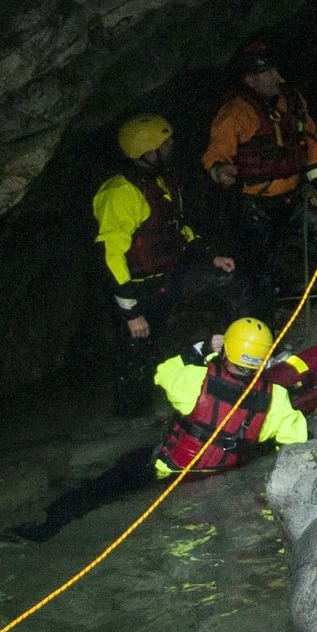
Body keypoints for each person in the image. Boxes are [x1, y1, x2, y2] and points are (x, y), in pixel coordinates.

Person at [2, 318, 307, 543]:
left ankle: (45, 527)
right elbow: (296, 444)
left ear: (228, 348)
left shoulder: (193, 381)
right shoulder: (276, 399)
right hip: (218, 477)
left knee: (101, 486)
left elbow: (162, 372)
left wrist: (202, 349)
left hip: (166, 469)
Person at [93, 115, 237, 413]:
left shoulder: (161, 182)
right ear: (148, 152)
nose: (172, 145)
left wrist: (210, 257)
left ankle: (233, 361)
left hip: (166, 278)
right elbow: (110, 255)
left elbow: (176, 229)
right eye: (165, 142)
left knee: (225, 281)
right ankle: (132, 417)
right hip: (135, 289)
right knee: (135, 355)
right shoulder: (121, 193)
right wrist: (131, 312)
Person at [202, 41, 317, 309]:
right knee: (259, 272)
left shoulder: (292, 101)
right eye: (268, 73)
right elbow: (216, 154)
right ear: (250, 80)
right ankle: (261, 331)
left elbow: (311, 141)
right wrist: (221, 171)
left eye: (275, 70)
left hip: (295, 196)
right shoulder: (235, 113)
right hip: (257, 205)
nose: (277, 77)